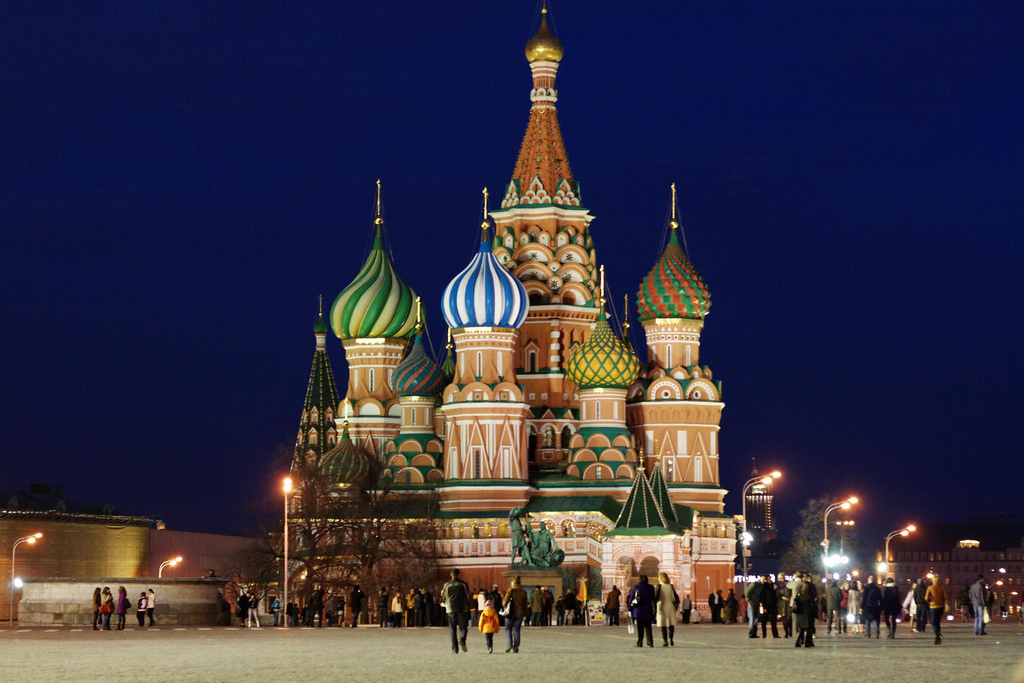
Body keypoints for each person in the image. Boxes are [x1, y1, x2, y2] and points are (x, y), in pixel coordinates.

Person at [443, 569, 471, 653]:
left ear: (451, 575)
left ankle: (454, 649)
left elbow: (444, 597)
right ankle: (462, 639)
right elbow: (467, 597)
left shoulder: (447, 585)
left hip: (450, 609)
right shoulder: (463, 584)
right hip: (462, 609)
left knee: (452, 629)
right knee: (463, 628)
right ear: (458, 574)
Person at [628, 574, 656, 648]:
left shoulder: (636, 587)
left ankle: (640, 642)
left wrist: (629, 608)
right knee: (648, 627)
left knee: (640, 628)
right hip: (648, 609)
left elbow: (631, 598)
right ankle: (650, 642)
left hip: (638, 610)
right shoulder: (650, 587)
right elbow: (653, 598)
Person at [502, 576, 529, 653]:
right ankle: (516, 648)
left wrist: (504, 605)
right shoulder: (523, 592)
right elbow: (525, 605)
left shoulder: (511, 591)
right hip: (520, 614)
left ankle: (509, 644)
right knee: (517, 631)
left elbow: (504, 602)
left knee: (508, 629)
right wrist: (525, 614)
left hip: (510, 613)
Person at [655, 573, 679, 647]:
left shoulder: (659, 586)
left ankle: (665, 641)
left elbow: (656, 597)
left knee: (663, 625)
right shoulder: (671, 586)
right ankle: (671, 639)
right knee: (671, 624)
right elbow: (674, 597)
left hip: (662, 606)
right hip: (670, 605)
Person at [924, 575, 946, 645]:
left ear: (932, 581)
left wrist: (930, 601)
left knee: (933, 622)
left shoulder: (930, 588)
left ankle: (937, 635)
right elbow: (947, 596)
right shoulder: (942, 588)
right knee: (938, 622)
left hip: (933, 606)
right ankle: (938, 635)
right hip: (941, 606)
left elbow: (926, 598)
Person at [793, 582, 815, 647]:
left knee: (802, 629)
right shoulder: (810, 597)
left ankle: (799, 642)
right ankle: (808, 642)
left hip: (800, 614)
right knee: (809, 629)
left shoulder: (798, 596)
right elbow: (812, 606)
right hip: (808, 613)